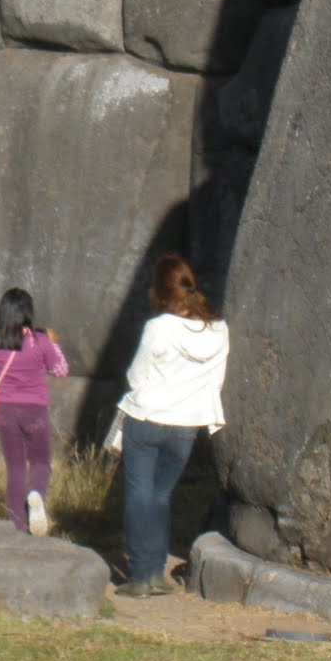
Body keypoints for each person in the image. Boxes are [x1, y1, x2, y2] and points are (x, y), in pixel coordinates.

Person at [115, 253, 229, 598]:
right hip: (186, 426)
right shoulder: (219, 331)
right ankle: (157, 573)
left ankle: (140, 574)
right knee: (161, 495)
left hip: (147, 418)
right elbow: (217, 382)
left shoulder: (158, 327)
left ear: (160, 290)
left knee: (139, 493)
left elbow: (136, 377)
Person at [0, 287, 69, 536]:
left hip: (6, 410)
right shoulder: (39, 342)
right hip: (35, 410)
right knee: (41, 462)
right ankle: (36, 494)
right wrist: (54, 344)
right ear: (28, 312)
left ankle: (17, 527)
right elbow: (61, 370)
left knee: (15, 468)